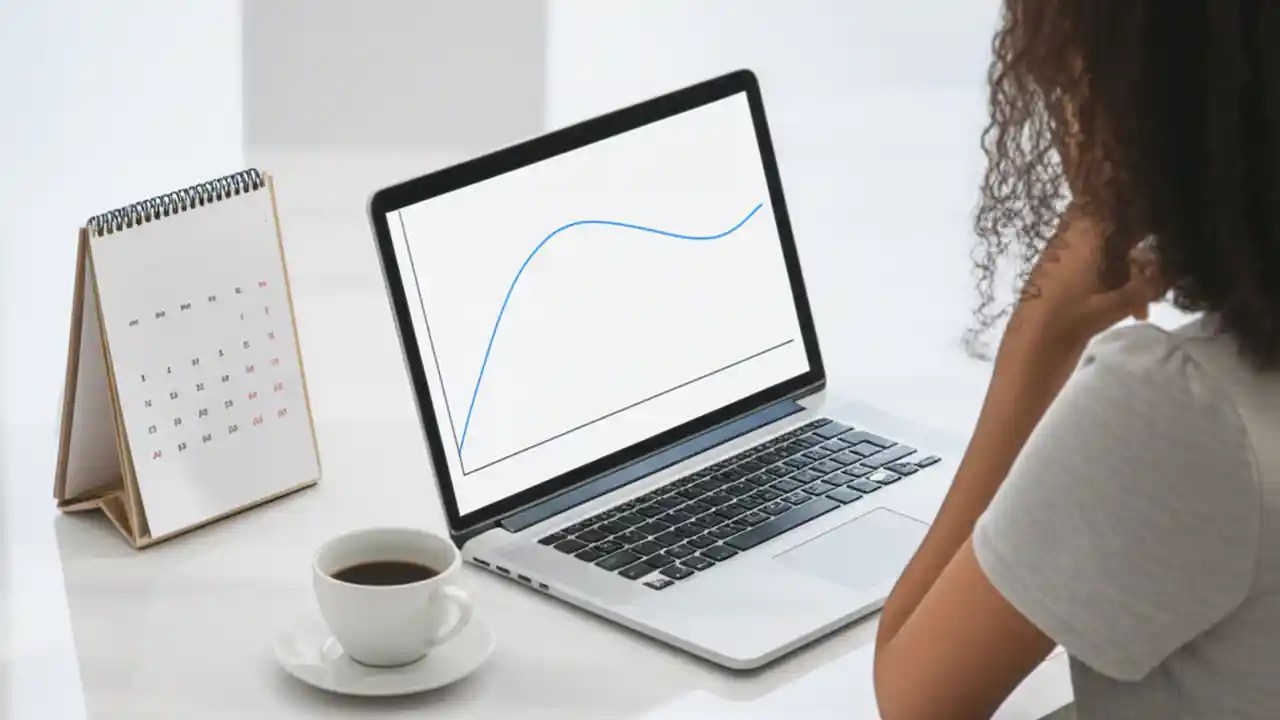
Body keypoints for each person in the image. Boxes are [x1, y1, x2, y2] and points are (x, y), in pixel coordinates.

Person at [872, 1, 1280, 718]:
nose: (1064, 119)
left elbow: (913, 698)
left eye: (1068, 81)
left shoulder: (1176, 408)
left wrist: (1037, 342)